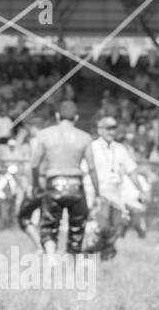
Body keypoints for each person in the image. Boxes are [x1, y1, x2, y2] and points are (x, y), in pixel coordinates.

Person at [29, 101, 99, 256]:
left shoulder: (44, 135)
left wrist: (35, 185)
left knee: (48, 226)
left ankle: (51, 259)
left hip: (53, 182)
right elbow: (92, 168)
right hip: (76, 184)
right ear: (76, 118)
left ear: (57, 116)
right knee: (77, 229)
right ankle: (71, 265)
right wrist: (97, 192)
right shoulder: (85, 137)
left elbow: (34, 164)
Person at [90, 116, 148, 261]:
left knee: (116, 225)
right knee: (102, 226)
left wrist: (140, 190)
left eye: (114, 127)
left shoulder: (120, 149)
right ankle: (94, 250)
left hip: (115, 192)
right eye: (108, 128)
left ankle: (106, 256)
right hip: (98, 191)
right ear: (100, 130)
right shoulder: (92, 147)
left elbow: (131, 171)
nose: (111, 131)